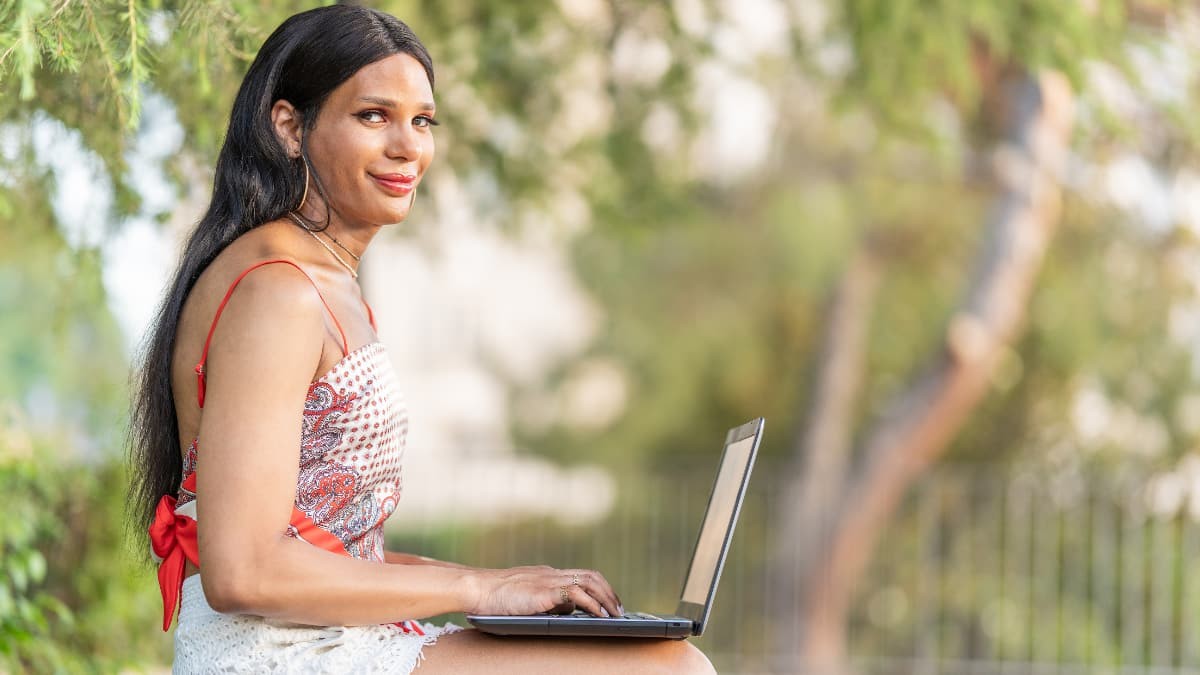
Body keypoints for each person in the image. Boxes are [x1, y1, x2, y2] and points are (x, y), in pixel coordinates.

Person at [127, 6, 715, 673]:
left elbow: (337, 551)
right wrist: (478, 588)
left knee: (664, 655)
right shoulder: (279, 291)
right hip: (280, 652)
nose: (407, 145)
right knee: (669, 667)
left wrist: (504, 582)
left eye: (422, 120)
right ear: (290, 127)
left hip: (328, 636)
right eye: (373, 116)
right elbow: (244, 570)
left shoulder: (326, 279)